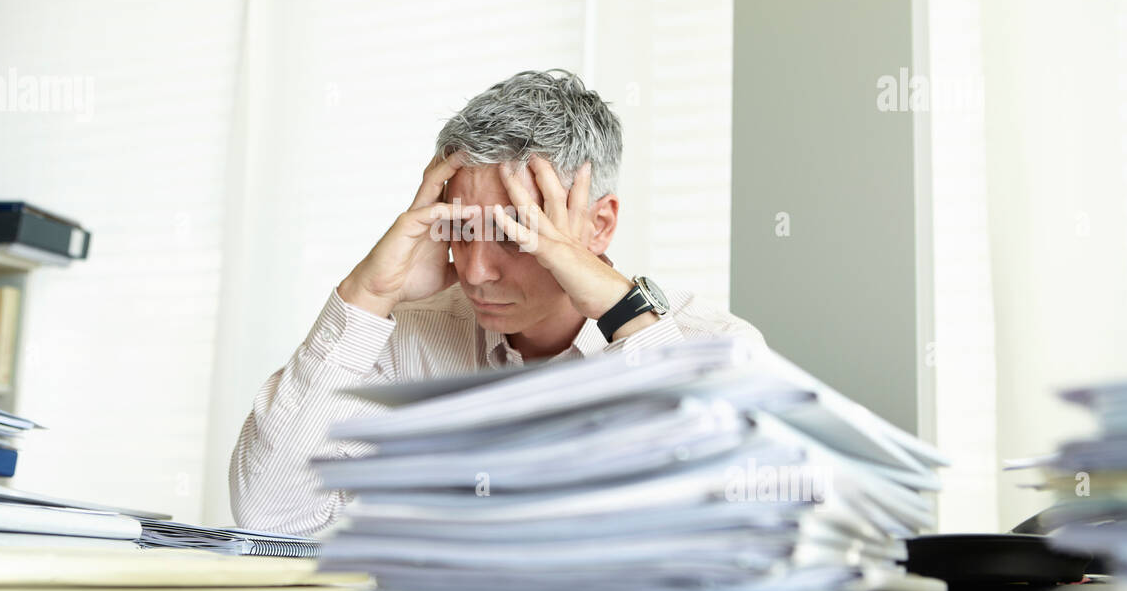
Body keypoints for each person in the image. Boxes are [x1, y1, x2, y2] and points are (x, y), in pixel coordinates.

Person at [229, 69, 762, 534]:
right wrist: (367, 296)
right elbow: (272, 513)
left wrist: (625, 314)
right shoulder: (408, 338)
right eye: (460, 229)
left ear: (599, 225)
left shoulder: (715, 348)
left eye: (514, 235)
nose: (476, 271)